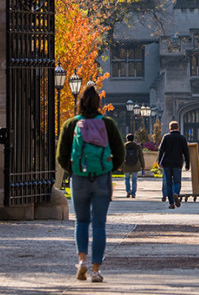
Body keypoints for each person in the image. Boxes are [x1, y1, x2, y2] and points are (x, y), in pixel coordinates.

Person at [56, 84, 126, 283]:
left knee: (81, 221)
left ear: (80, 102)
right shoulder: (107, 123)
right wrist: (107, 168)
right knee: (99, 224)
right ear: (98, 102)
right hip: (102, 178)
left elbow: (61, 155)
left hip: (79, 178)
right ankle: (96, 269)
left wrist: (73, 170)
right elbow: (120, 154)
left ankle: (82, 260)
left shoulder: (71, 124)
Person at [157, 120, 190, 209]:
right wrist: (187, 164)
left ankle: (171, 203)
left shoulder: (166, 137)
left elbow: (161, 151)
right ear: (178, 128)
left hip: (167, 163)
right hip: (177, 163)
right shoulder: (182, 138)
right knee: (177, 181)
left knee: (168, 183)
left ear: (170, 128)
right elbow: (186, 152)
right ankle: (176, 193)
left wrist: (159, 162)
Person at [122, 133, 145, 198]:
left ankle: (128, 191)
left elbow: (122, 157)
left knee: (127, 179)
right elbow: (141, 156)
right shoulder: (137, 146)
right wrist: (143, 165)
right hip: (135, 165)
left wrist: (120, 166)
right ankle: (133, 193)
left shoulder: (124, 146)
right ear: (133, 139)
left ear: (127, 139)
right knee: (134, 180)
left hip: (126, 165)